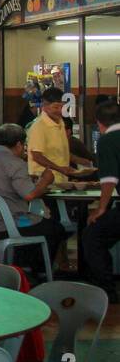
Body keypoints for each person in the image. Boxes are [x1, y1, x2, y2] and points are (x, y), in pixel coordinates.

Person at [0, 123, 63, 282]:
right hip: (10, 225)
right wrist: (45, 181)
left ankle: (24, 267)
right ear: (18, 144)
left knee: (41, 226)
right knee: (55, 228)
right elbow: (30, 195)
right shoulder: (16, 163)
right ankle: (41, 273)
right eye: (24, 145)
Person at [83, 99, 120, 298]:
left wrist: (101, 208)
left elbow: (109, 180)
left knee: (93, 236)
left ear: (99, 123)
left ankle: (106, 290)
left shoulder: (106, 140)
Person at [26, 87, 79, 180]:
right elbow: (36, 156)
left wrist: (81, 161)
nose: (59, 110)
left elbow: (59, 153)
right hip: (43, 183)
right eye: (55, 107)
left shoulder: (61, 123)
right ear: (45, 106)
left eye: (62, 107)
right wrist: (60, 169)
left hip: (60, 181)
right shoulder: (38, 127)